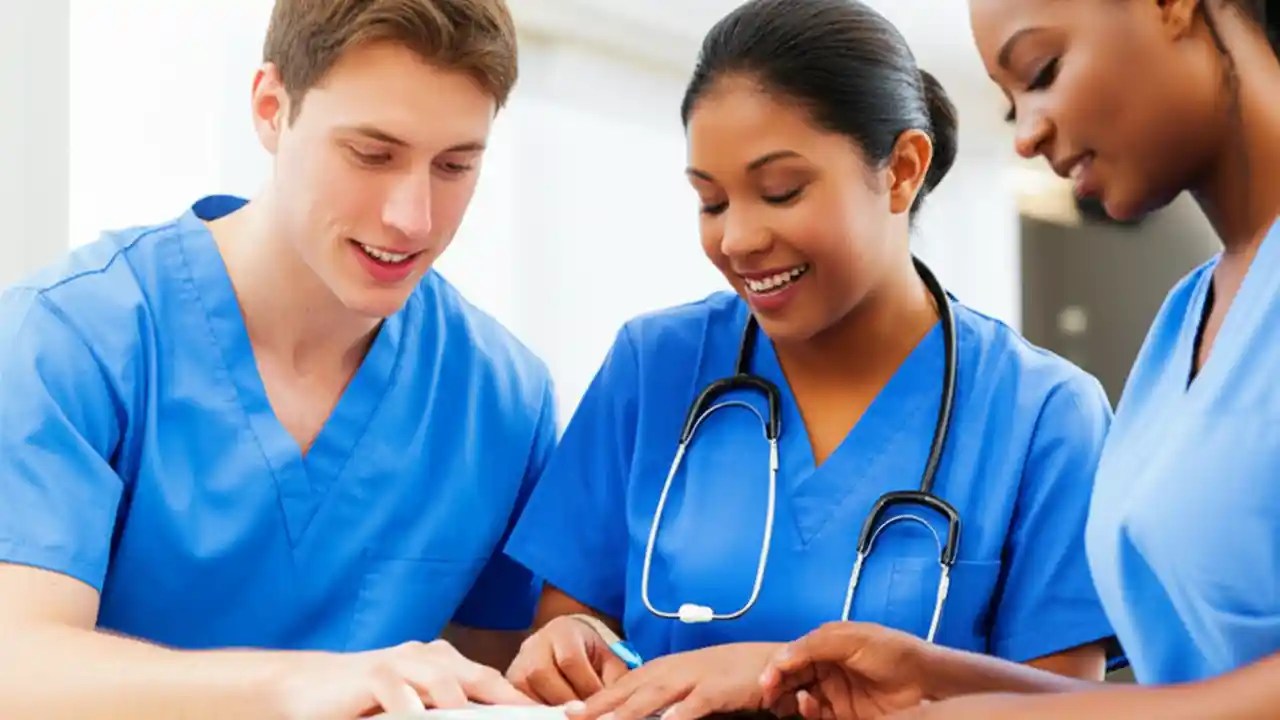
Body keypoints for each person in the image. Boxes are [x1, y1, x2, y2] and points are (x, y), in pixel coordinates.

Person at [499, 1, 1118, 717]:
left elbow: (1069, 706)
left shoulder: (1044, 416)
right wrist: (569, 640)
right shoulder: (654, 365)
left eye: (780, 192)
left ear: (902, 171)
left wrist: (782, 672)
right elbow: (572, 622)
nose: (737, 239)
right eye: (710, 201)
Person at [0, 1, 556, 717]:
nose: (412, 217)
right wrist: (301, 684)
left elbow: (490, 691)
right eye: (372, 154)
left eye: (454, 166)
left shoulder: (502, 400)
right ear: (270, 107)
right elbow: (16, 665)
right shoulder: (70, 339)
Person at [742, 0, 1280, 718]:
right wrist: (938, 681)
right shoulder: (1189, 318)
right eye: (1010, 104)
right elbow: (1190, 690)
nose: (1028, 136)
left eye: (1043, 71)